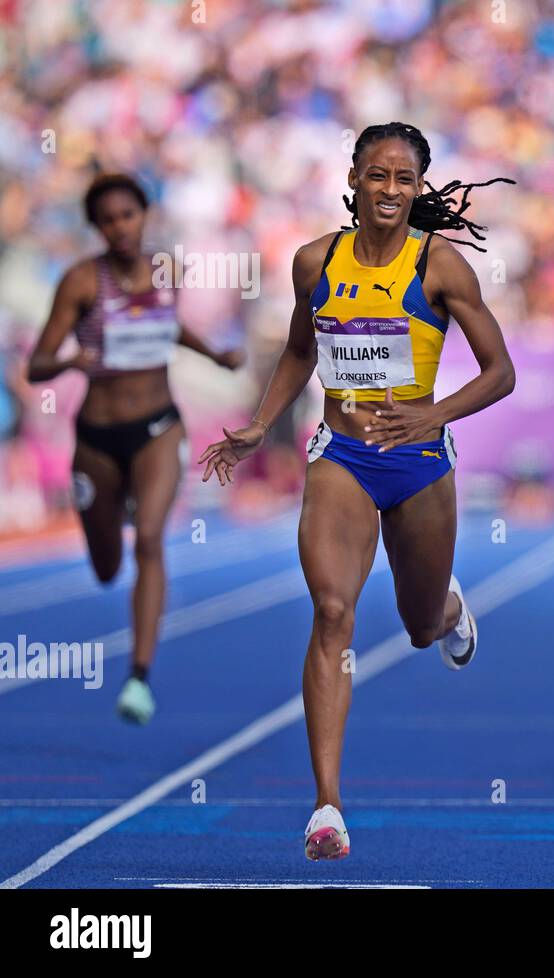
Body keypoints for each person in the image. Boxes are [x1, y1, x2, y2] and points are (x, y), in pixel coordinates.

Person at [199, 123, 515, 859]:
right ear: (354, 177)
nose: (391, 191)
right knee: (333, 610)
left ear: (419, 189)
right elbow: (303, 348)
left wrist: (432, 414)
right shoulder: (316, 261)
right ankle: (327, 807)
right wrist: (258, 424)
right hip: (341, 453)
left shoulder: (441, 268)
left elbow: (500, 372)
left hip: (420, 461)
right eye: (379, 176)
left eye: (405, 180)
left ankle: (447, 604)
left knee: (416, 625)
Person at [26, 173, 243, 724]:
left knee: (150, 538)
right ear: (96, 228)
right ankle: (110, 504)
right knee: (105, 567)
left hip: (157, 426)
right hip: (97, 438)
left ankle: (140, 677)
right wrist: (72, 359)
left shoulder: (166, 270)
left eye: (128, 215)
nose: (120, 226)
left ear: (143, 216)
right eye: (108, 219)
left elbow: (169, 328)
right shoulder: (81, 282)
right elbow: (37, 364)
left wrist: (216, 356)